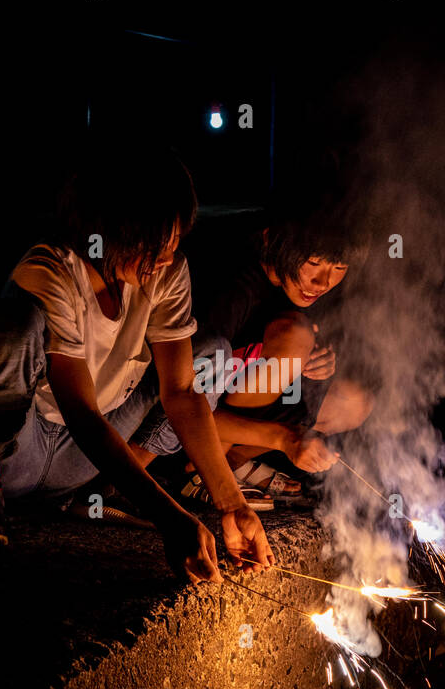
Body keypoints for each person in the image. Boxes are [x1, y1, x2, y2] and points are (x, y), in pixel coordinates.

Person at [0, 144, 274, 583]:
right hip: (18, 452)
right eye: (157, 241)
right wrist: (169, 519)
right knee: (13, 324)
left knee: (210, 355)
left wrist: (232, 504)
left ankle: (115, 487)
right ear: (114, 228)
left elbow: (180, 391)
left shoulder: (165, 272)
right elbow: (79, 411)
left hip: (81, 461)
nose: (167, 255)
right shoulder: (52, 269)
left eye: (176, 238)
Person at [154, 193, 375, 509]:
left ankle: (231, 461)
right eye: (313, 262)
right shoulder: (233, 287)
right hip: (181, 426)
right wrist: (284, 438)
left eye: (339, 266)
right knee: (295, 339)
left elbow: (293, 372)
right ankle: (200, 470)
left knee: (353, 401)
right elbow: (179, 402)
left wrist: (319, 364)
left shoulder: (311, 290)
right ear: (272, 238)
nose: (323, 280)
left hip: (245, 408)